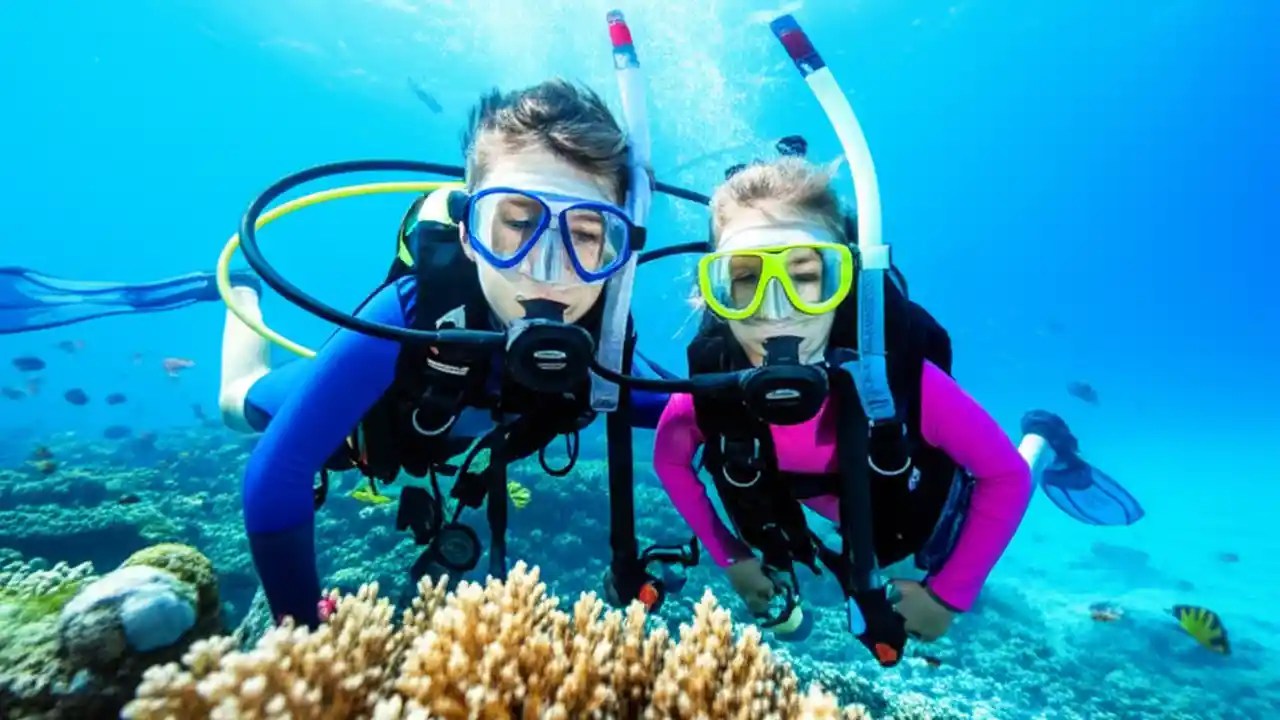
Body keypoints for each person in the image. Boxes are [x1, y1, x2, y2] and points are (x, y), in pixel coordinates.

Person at [223, 79, 694, 628]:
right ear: (470, 233)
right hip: (370, 425)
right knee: (239, 403)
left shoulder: (605, 348)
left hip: (444, 433)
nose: (547, 268)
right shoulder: (412, 314)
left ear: (619, 253)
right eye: (517, 224)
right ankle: (242, 296)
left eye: (587, 234)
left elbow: (693, 413)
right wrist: (301, 629)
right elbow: (277, 472)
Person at [651, 158, 1034, 657]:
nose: (776, 308)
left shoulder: (899, 380)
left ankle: (1040, 444)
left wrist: (947, 596)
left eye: (806, 275)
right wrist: (734, 558)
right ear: (713, 294)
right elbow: (669, 459)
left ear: (846, 281)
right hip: (816, 510)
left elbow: (1007, 477)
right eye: (744, 278)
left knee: (951, 532)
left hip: (908, 517)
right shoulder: (710, 391)